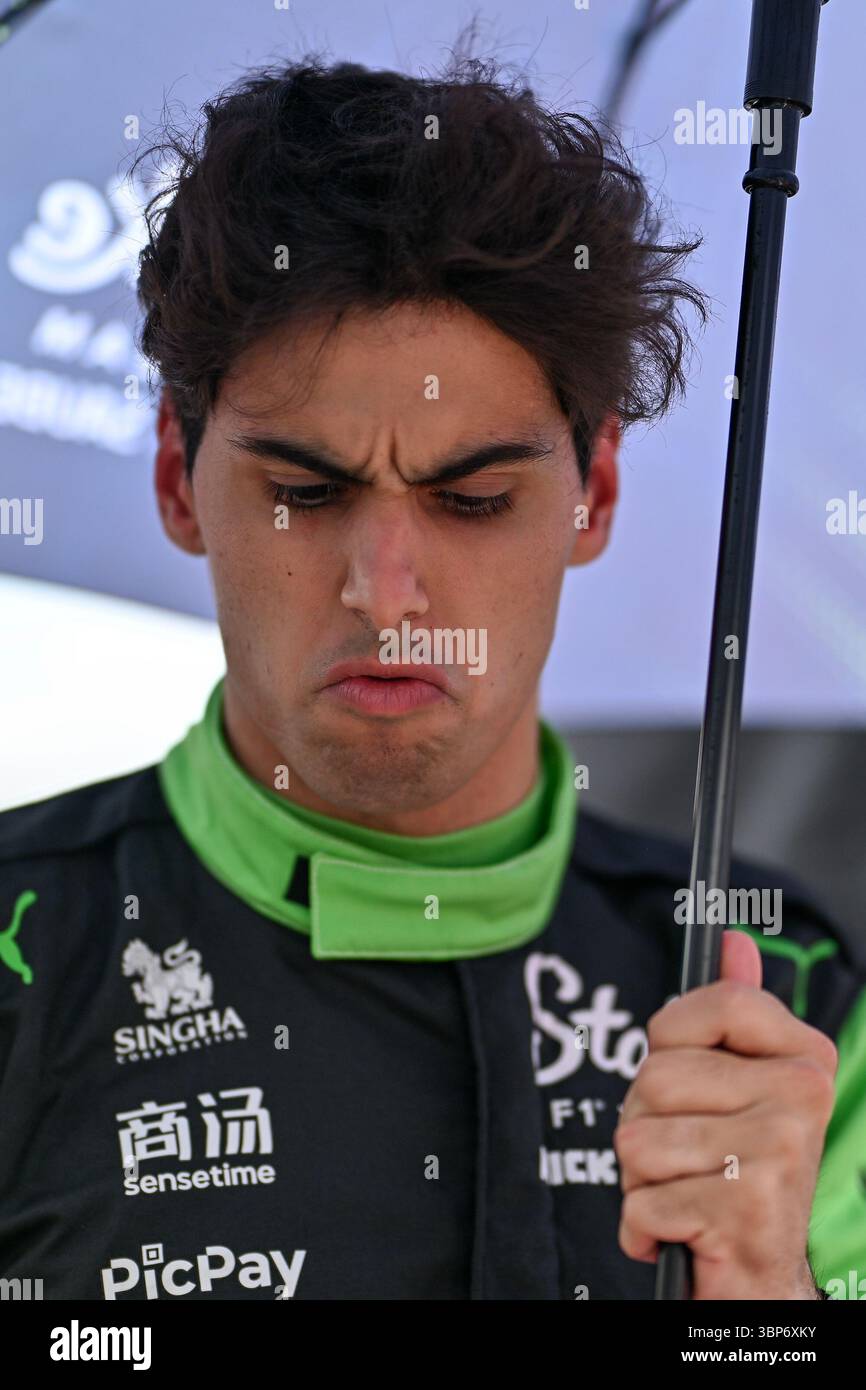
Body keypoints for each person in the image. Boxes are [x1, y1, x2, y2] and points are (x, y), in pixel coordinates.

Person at [1, 51, 864, 1303]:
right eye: (304, 493)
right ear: (179, 481)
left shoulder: (786, 999)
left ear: (595, 493)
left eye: (473, 498)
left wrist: (761, 1293)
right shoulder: (26, 953)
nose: (387, 592)